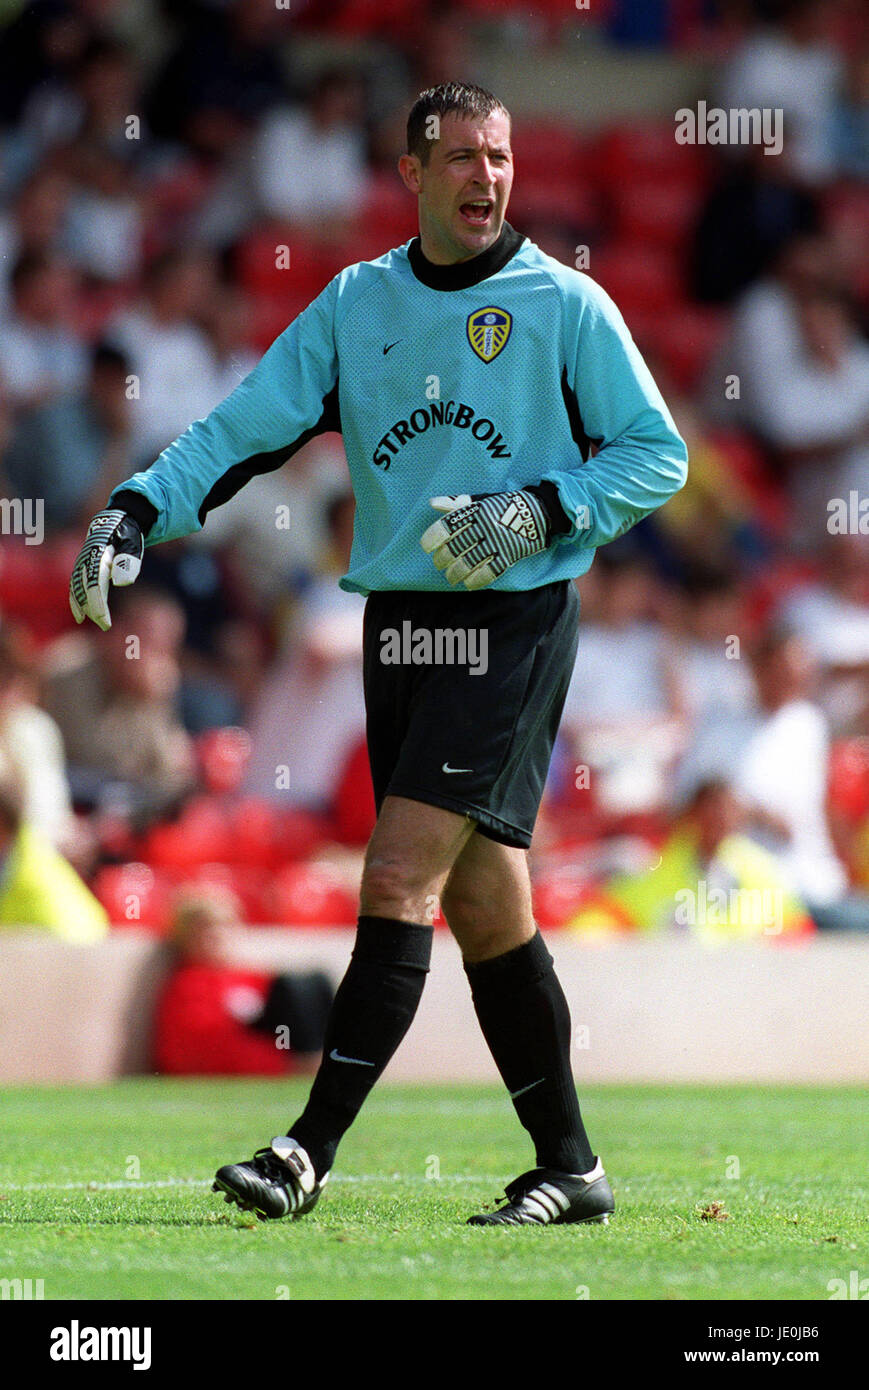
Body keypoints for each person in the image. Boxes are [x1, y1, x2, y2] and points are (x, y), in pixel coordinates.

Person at [69, 82, 688, 1228]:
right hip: (397, 623)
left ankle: (307, 1150)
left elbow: (656, 455)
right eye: (457, 157)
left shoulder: (563, 304)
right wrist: (137, 506)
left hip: (510, 623)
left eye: (497, 156)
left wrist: (541, 508)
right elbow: (246, 424)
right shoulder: (358, 303)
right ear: (409, 174)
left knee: (398, 874)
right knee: (488, 902)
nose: (484, 178)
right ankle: (571, 1166)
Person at [152, 886, 333, 1077]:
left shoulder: (246, 975)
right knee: (293, 987)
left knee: (310, 983)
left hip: (275, 1045)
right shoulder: (189, 985)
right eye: (203, 928)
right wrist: (286, 1064)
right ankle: (314, 1061)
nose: (215, 934)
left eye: (222, 925)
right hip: (260, 1059)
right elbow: (201, 1047)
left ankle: (328, 1057)